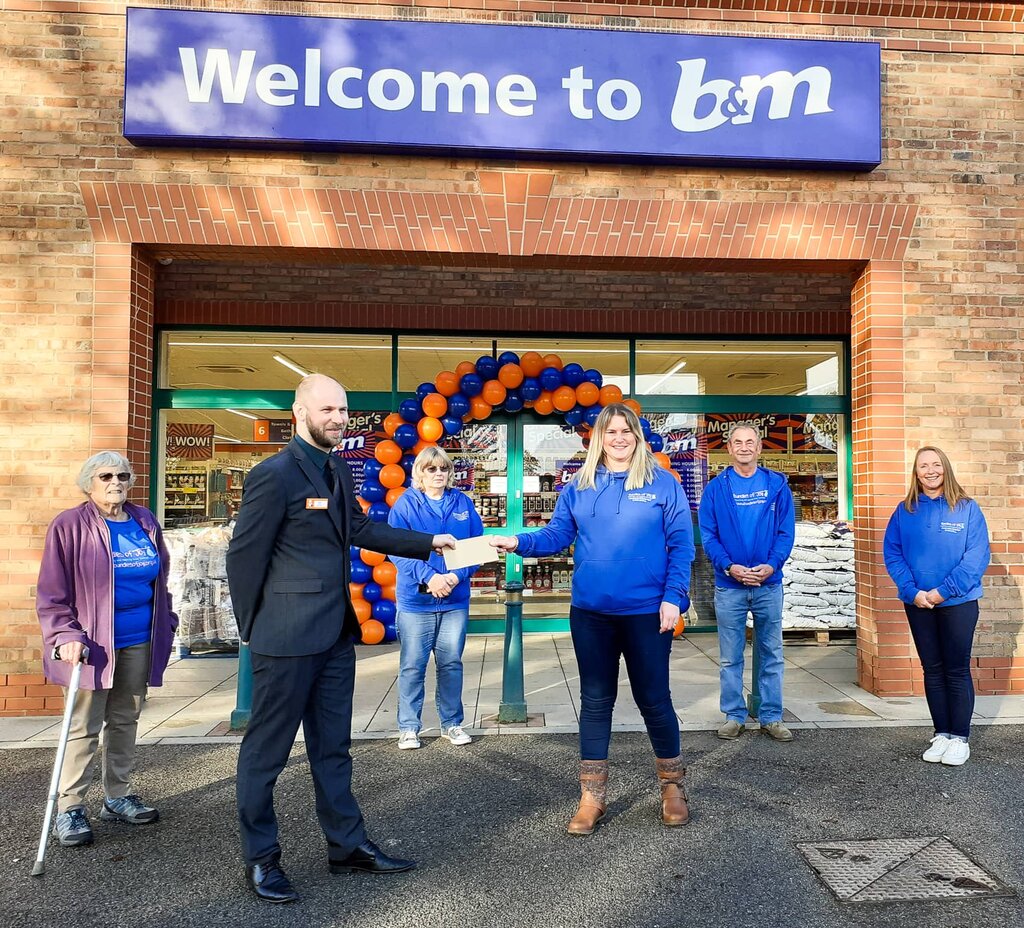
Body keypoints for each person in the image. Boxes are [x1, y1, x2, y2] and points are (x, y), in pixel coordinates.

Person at [226, 374, 456, 904]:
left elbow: (361, 529)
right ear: (299, 412)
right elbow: (244, 559)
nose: (337, 417)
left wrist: (429, 542)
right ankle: (261, 859)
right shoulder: (274, 475)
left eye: (343, 409)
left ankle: (346, 847)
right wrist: (253, 629)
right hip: (282, 641)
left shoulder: (337, 468)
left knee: (334, 749)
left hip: (333, 635)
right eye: (326, 408)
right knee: (267, 754)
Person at [491, 403, 694, 834]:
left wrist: (674, 597)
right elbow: (556, 535)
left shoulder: (662, 484)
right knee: (596, 701)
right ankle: (592, 796)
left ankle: (672, 787)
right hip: (591, 613)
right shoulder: (578, 487)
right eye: (610, 432)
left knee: (654, 700)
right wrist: (516, 541)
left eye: (626, 431)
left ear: (637, 437)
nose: (618, 439)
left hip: (647, 612)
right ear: (597, 438)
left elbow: (681, 545)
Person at [36, 451, 178, 848]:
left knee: (126, 718)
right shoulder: (69, 525)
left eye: (123, 475)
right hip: (90, 645)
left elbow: (160, 577)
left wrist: (167, 619)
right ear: (88, 484)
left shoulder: (144, 521)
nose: (116, 482)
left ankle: (117, 796)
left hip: (138, 639)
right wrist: (64, 635)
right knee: (84, 725)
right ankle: (70, 807)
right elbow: (51, 591)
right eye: (105, 476)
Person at [883, 446, 990, 767]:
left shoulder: (967, 509)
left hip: (958, 602)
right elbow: (893, 554)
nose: (930, 471)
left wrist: (942, 592)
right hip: (917, 603)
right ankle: (941, 732)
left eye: (935, 465)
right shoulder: (905, 511)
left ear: (946, 468)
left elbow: (976, 558)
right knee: (932, 668)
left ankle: (960, 737)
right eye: (923, 466)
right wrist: (912, 591)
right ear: (915, 473)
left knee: (956, 669)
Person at [697, 423, 796, 743]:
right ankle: (734, 715)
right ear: (728, 448)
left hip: (769, 583)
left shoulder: (777, 485)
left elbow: (785, 533)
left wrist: (771, 565)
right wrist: (729, 566)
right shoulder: (715, 489)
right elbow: (708, 536)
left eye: (749, 442)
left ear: (759, 447)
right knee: (730, 655)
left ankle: (771, 715)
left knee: (772, 651)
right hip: (730, 585)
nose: (744, 447)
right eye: (737, 442)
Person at [387, 446, 483, 750]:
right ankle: (409, 727)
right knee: (413, 665)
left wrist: (455, 576)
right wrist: (430, 577)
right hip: (417, 602)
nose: (438, 474)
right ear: (420, 472)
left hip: (454, 600)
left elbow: (477, 547)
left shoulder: (463, 503)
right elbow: (395, 548)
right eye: (432, 469)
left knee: (451, 664)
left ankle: (452, 723)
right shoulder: (405, 505)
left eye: (443, 469)